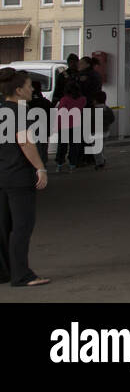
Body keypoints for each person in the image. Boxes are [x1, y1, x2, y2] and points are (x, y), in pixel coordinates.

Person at [0, 68, 50, 286]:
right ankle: (22, 275)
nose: (32, 89)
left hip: (2, 175)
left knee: (3, 227)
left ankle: (4, 272)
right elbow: (25, 143)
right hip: (19, 177)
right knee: (22, 226)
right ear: (19, 90)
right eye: (29, 86)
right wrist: (40, 168)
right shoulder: (19, 113)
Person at [54, 82, 85, 173]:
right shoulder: (83, 99)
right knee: (74, 146)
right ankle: (72, 165)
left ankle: (59, 164)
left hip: (64, 126)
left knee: (62, 146)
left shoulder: (64, 99)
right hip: (76, 125)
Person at [87, 91, 114, 171]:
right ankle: (102, 159)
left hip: (95, 132)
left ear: (95, 100)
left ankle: (100, 163)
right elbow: (112, 119)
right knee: (102, 147)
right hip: (105, 131)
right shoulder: (108, 109)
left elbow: (89, 121)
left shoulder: (93, 110)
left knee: (96, 149)